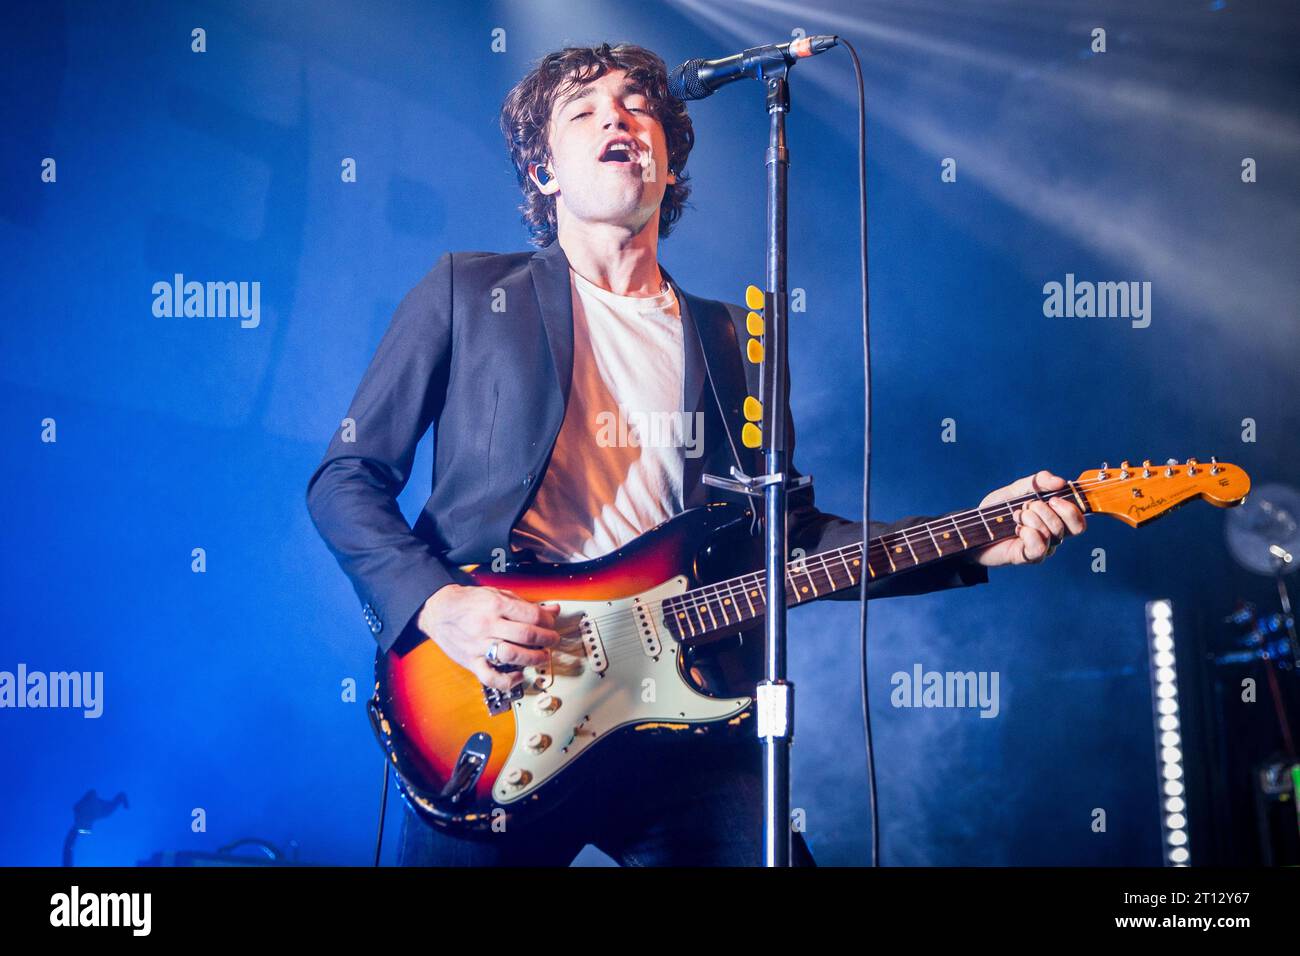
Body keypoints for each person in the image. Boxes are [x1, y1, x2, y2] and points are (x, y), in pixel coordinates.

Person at [305, 42, 1086, 866]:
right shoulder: (469, 292)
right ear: (544, 175)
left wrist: (974, 535)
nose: (617, 116)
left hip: (686, 697)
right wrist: (437, 605)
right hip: (495, 693)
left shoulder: (736, 342)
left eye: (639, 105)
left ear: (670, 164)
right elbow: (345, 480)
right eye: (584, 110)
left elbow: (788, 541)